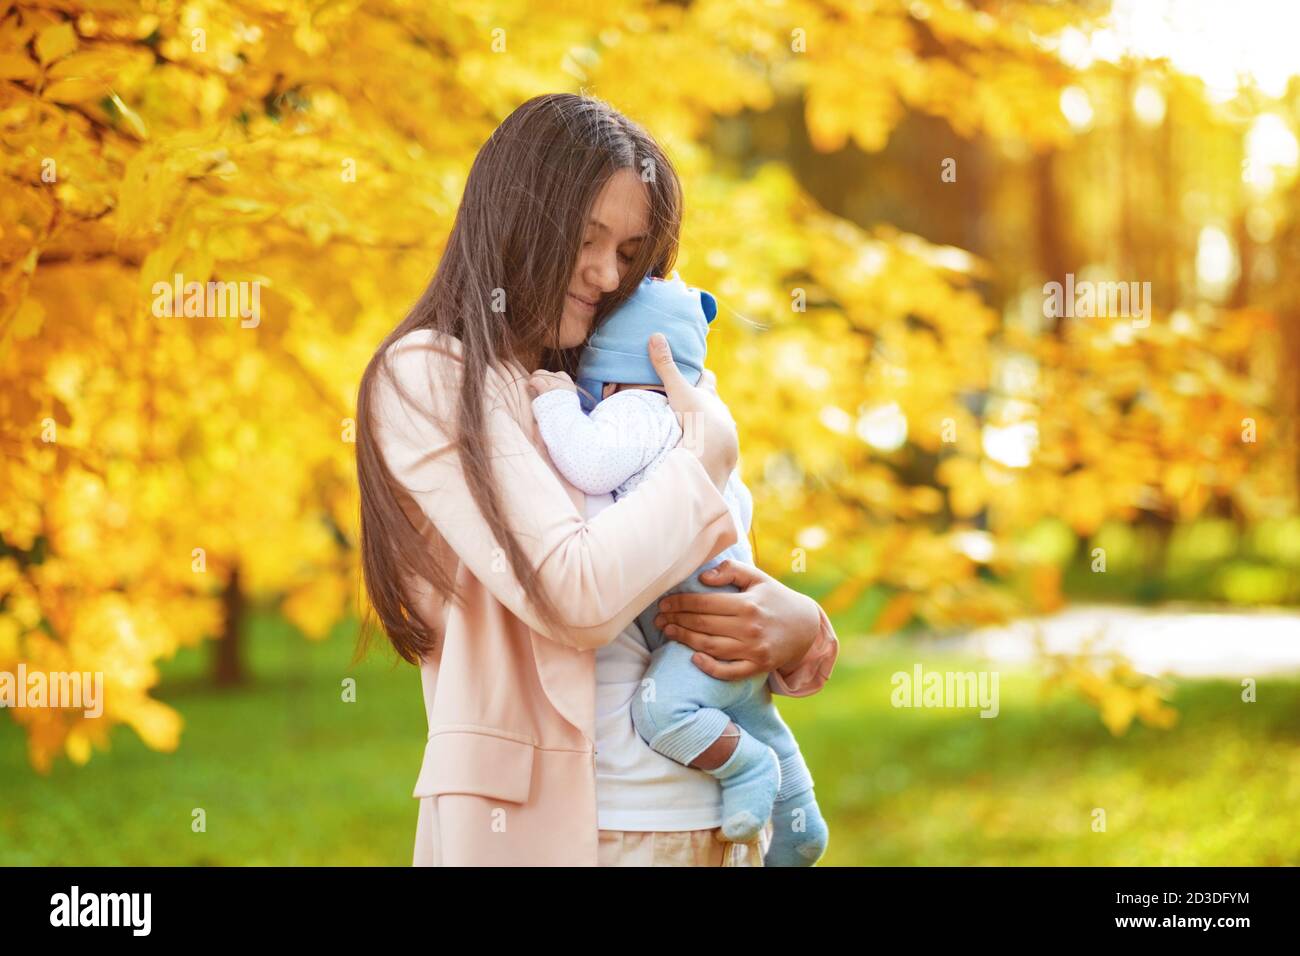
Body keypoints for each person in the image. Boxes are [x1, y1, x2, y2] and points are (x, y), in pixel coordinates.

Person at [354, 92, 839, 866]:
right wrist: (703, 457)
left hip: (713, 822)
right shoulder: (430, 377)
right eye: (586, 239)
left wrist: (799, 627)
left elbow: (701, 570)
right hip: (578, 831)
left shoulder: (604, 390)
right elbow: (571, 594)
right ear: (515, 223)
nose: (607, 273)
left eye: (630, 251)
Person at [529, 273, 829, 865]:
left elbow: (590, 464)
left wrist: (556, 400)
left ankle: (748, 773)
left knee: (663, 711)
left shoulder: (637, 412)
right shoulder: (699, 421)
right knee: (758, 720)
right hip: (733, 635)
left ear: (608, 371)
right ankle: (802, 821)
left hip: (691, 646)